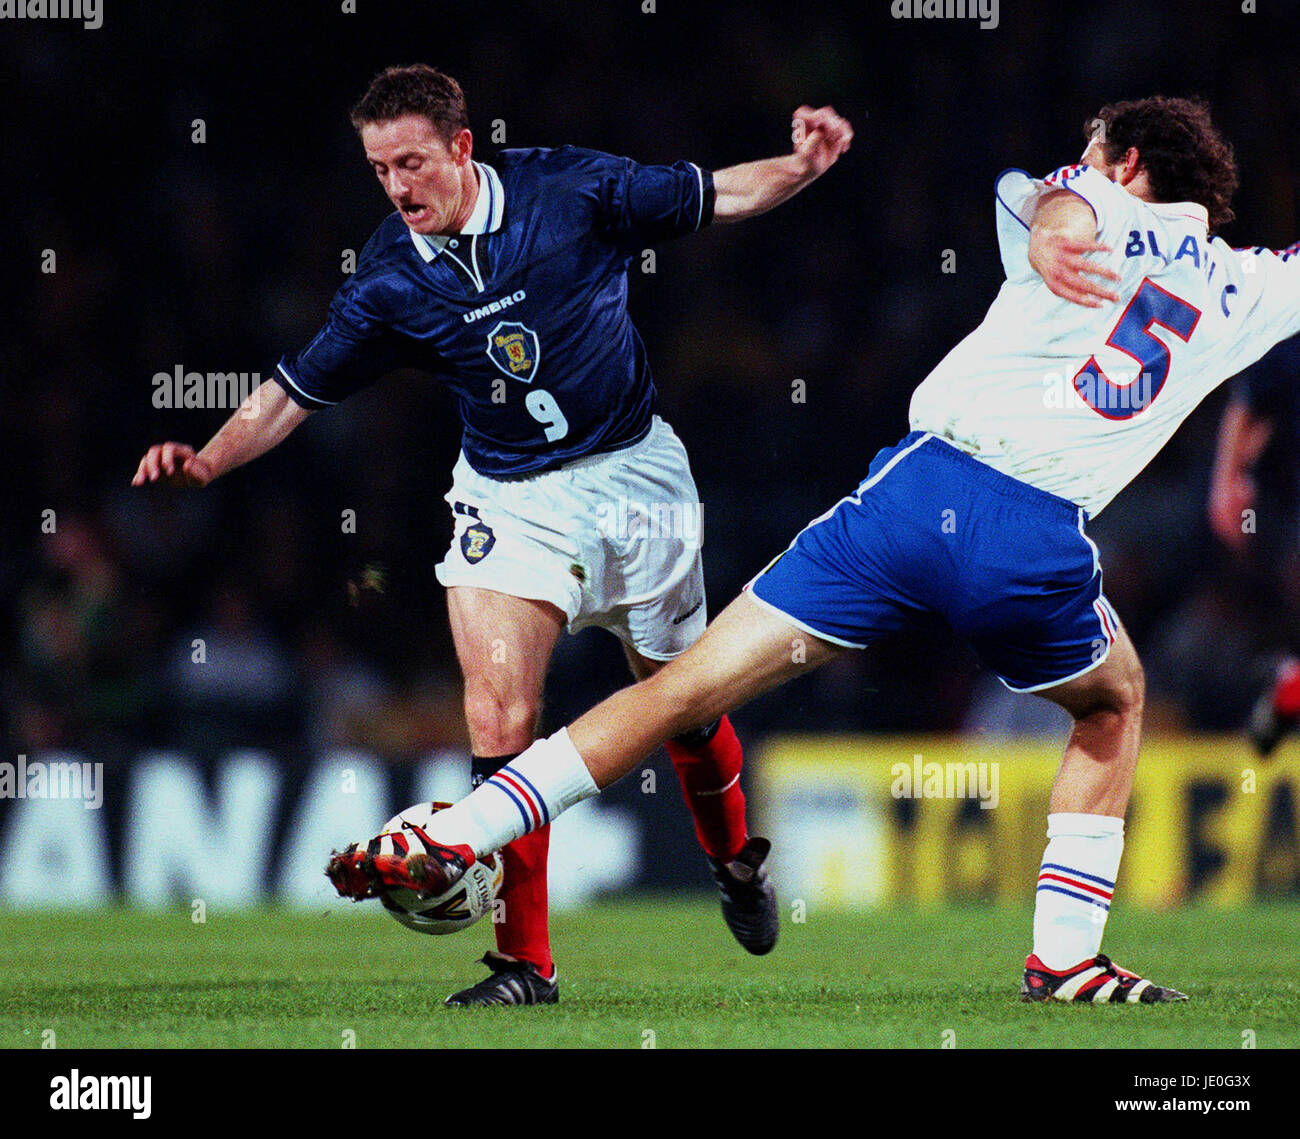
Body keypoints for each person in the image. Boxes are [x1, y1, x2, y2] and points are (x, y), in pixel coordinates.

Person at [331, 95, 1300, 1004]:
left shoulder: (1090, 196)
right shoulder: (1248, 284)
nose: (1081, 159)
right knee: (1111, 700)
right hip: (1031, 540)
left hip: (909, 498)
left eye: (1094, 147)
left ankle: (458, 829)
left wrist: (1052, 229)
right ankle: (1063, 960)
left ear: (1127, 162)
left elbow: (1040, 200)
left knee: (679, 690)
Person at [134, 64, 853, 1006]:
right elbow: (292, 391)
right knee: (498, 716)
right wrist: (206, 459)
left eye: (412, 163)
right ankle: (525, 964)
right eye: (380, 169)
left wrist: (802, 164)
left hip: (636, 478)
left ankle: (732, 860)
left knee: (681, 699)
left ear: (462, 147)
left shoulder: (571, 189)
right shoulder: (389, 278)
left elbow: (721, 193)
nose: (397, 187)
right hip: (508, 496)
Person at [1207, 333, 1300, 753]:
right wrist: (1228, 479)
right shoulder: (1290, 331)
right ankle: (1278, 689)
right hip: (1282, 502)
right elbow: (1250, 403)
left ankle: (1286, 690)